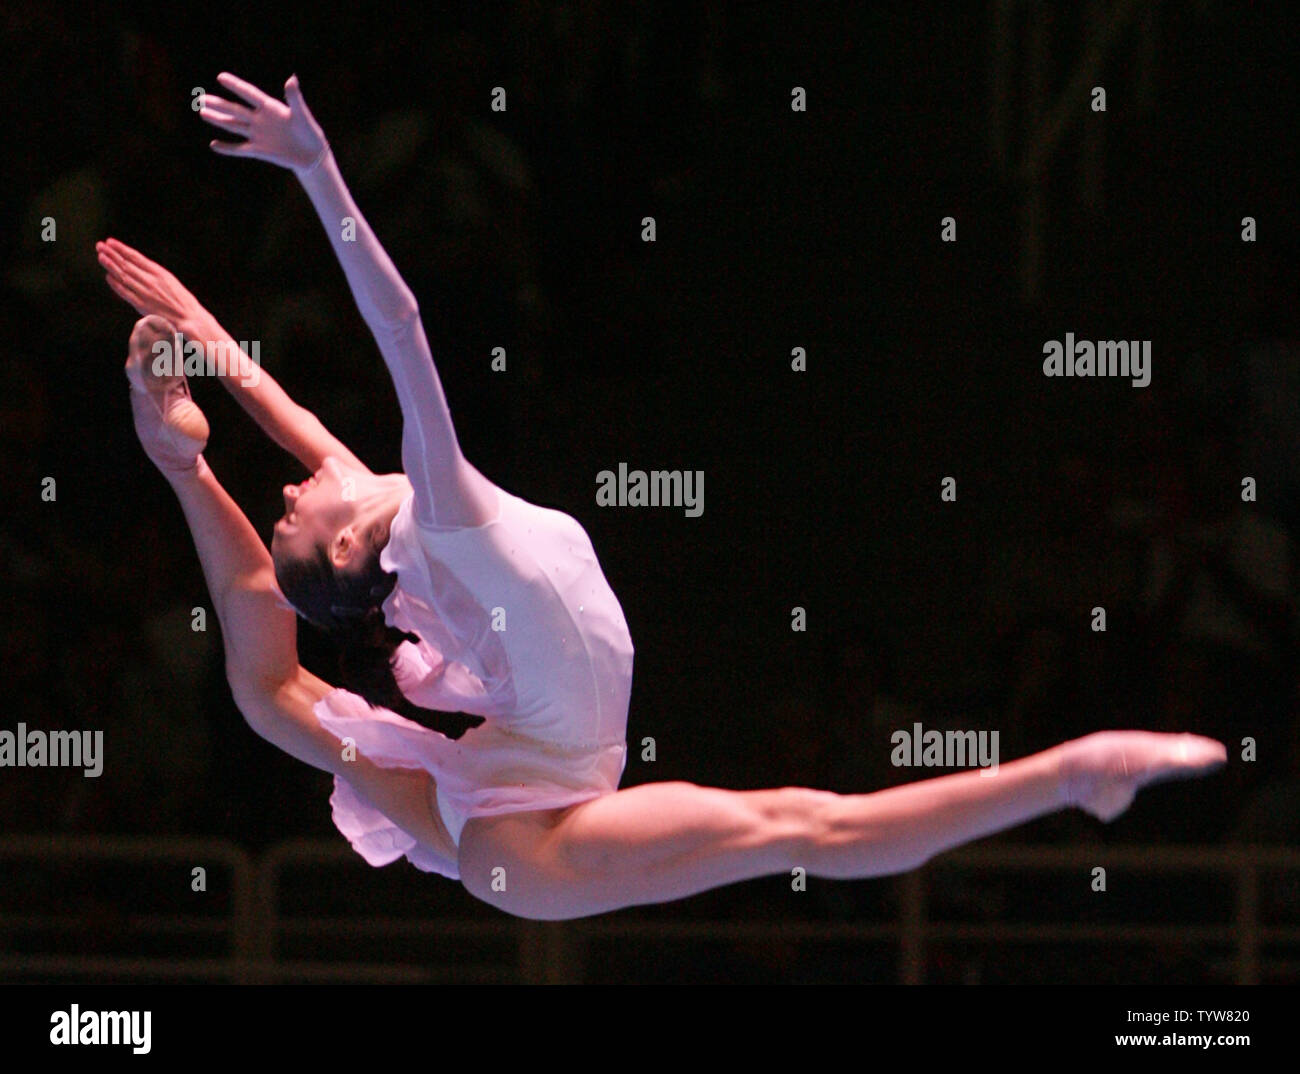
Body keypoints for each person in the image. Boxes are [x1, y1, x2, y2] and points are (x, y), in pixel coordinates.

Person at [97, 72, 1227, 922]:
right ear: (340, 555)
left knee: (268, 697)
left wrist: (197, 342)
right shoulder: (435, 509)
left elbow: (275, 402)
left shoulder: (383, 516)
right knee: (806, 825)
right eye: (291, 508)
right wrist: (316, 171)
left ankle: (175, 469)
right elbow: (401, 329)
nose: (296, 486)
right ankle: (1077, 774)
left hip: (538, 768)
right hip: (521, 836)